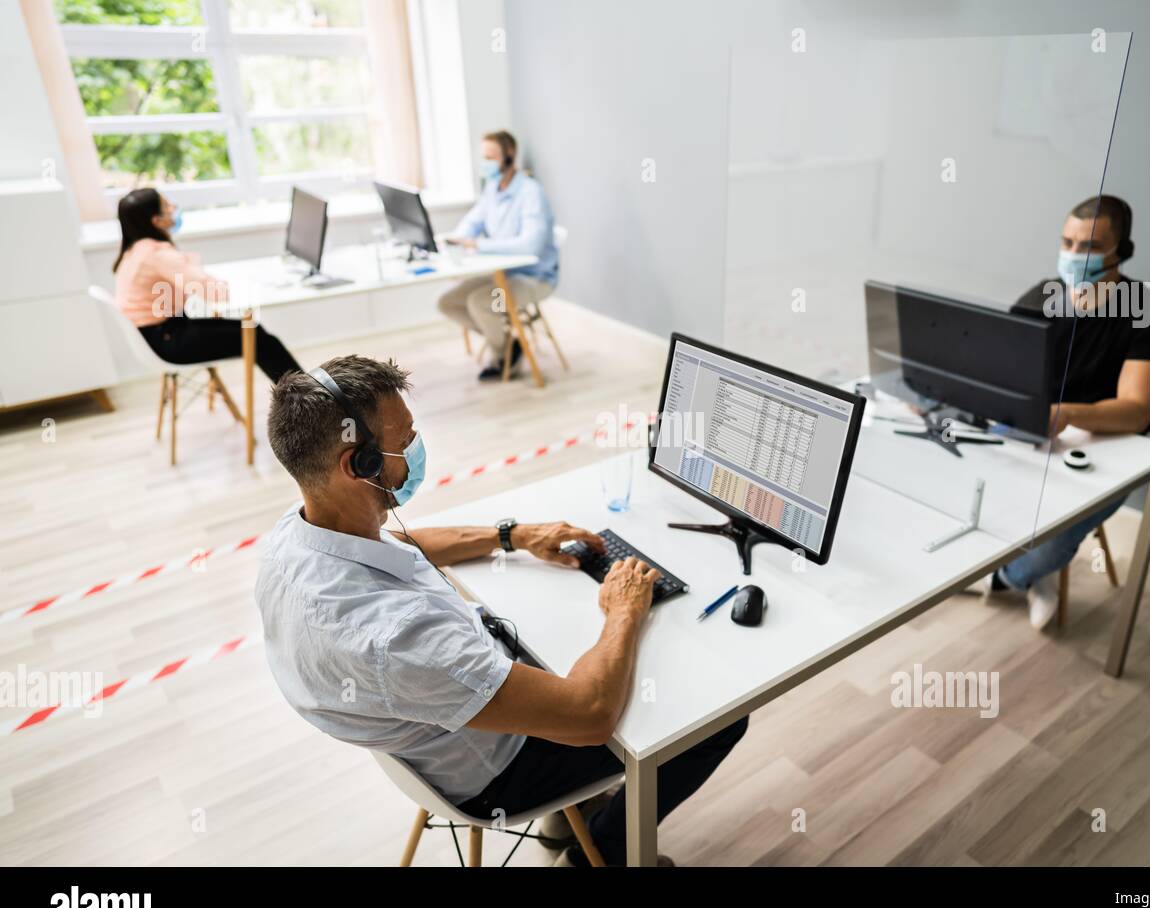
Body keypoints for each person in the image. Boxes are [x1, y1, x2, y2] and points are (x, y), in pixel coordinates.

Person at [255, 355, 746, 865]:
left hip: (437, 725)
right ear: (359, 465)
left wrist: (512, 535)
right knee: (715, 711)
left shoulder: (295, 537)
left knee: (567, 632)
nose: (417, 448)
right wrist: (624, 610)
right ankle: (598, 850)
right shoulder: (398, 640)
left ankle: (571, 817)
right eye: (406, 438)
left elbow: (402, 544)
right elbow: (589, 716)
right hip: (503, 771)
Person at [974, 195, 1150, 629]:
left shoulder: (1148, 312)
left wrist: (1066, 414)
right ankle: (1025, 571)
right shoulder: (1042, 296)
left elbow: (1137, 411)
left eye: (1088, 246)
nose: (1072, 254)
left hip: (1105, 447)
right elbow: (1001, 368)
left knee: (1051, 542)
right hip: (1031, 432)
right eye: (1066, 241)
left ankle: (1014, 576)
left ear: (1121, 252)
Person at [113, 187, 302, 384]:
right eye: (167, 206)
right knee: (259, 339)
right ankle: (312, 403)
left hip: (158, 336)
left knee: (255, 332)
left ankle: (307, 399)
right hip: (168, 341)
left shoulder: (134, 250)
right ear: (156, 221)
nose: (173, 208)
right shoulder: (157, 255)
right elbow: (215, 293)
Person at [437, 130, 560, 381]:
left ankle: (504, 358)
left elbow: (530, 246)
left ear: (509, 155)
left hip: (534, 277)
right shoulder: (493, 189)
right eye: (484, 157)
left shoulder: (530, 192)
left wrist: (479, 245)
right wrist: (458, 238)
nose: (486, 164)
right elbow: (472, 222)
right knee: (447, 302)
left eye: (491, 157)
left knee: (480, 302)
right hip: (503, 274)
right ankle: (509, 345)